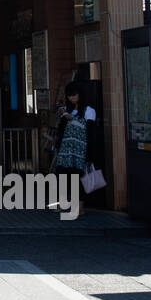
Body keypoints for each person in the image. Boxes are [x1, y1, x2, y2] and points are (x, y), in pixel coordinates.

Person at [51, 81, 97, 216]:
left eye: (75, 94)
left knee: (78, 178)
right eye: (70, 96)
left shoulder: (89, 110)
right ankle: (63, 203)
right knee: (63, 176)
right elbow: (61, 130)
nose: (73, 98)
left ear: (80, 94)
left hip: (80, 151)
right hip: (65, 151)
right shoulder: (66, 110)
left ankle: (80, 207)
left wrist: (90, 155)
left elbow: (91, 133)